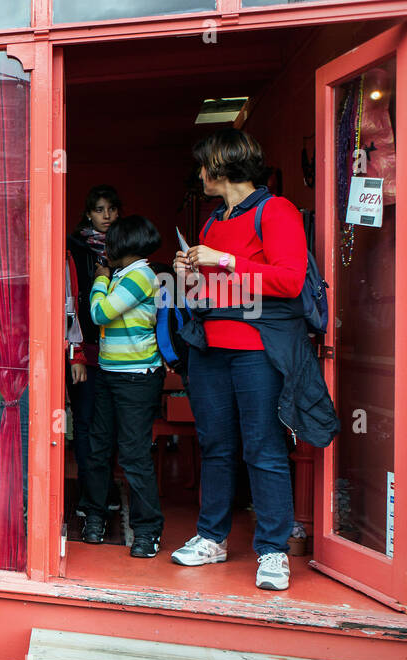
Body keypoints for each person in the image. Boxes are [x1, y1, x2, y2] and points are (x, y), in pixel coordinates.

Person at [172, 128, 338, 589]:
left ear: (221, 166)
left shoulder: (276, 210)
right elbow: (202, 292)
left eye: (203, 164)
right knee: (216, 446)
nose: (199, 173)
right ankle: (212, 538)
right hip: (210, 348)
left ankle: (273, 550)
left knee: (263, 447)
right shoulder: (210, 222)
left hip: (257, 350)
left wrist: (224, 261)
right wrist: (187, 274)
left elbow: (288, 280)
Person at [79, 215, 166, 558]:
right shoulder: (124, 275)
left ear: (125, 245)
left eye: (110, 242)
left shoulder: (141, 276)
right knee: (99, 449)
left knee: (133, 454)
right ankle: (95, 517)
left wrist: (99, 280)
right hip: (110, 374)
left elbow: (100, 313)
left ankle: (147, 531)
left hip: (136, 378)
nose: (106, 248)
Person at [66, 185, 124, 518]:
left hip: (119, 346)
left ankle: (104, 490)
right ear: (89, 213)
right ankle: (90, 496)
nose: (106, 216)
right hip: (85, 344)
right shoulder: (74, 248)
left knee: (111, 423)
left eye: (112, 209)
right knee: (86, 423)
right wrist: (76, 354)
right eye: (100, 209)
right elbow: (70, 301)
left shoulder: (126, 249)